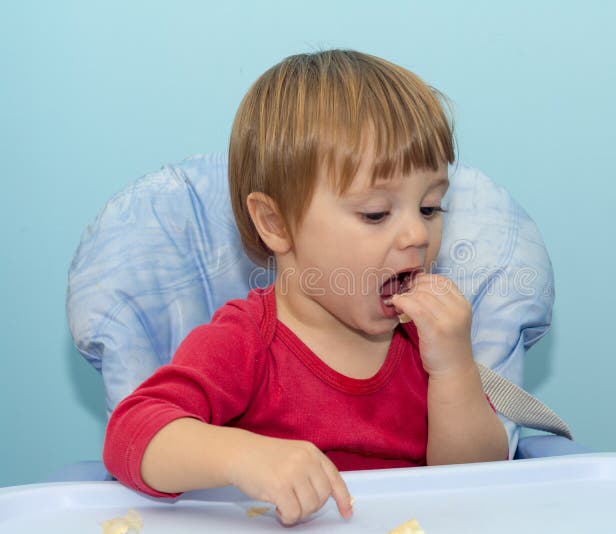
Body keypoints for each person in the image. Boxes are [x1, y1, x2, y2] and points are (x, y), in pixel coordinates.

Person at [103, 49, 508, 525]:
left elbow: (479, 486)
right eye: (376, 213)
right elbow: (130, 434)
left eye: (430, 207)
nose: (417, 235)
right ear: (276, 223)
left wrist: (454, 370)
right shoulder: (247, 342)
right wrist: (242, 455)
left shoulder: (428, 344)